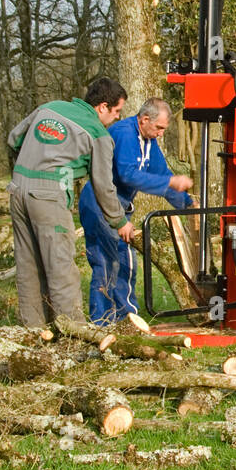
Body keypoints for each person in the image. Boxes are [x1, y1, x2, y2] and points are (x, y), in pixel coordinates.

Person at [6, 77, 134, 327]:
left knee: (28, 265)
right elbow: (103, 186)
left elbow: (13, 140)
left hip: (17, 189)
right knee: (61, 267)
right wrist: (119, 221)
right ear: (102, 107)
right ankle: (73, 334)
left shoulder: (49, 108)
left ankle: (34, 331)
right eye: (117, 111)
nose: (118, 118)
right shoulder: (98, 134)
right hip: (49, 196)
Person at [79, 97, 194, 326]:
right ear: (144, 119)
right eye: (159, 128)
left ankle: (125, 318)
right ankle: (103, 321)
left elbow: (162, 174)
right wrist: (171, 182)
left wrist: (188, 205)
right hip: (100, 203)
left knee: (125, 261)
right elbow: (128, 175)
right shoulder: (124, 134)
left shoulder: (148, 141)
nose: (161, 133)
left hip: (119, 207)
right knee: (107, 262)